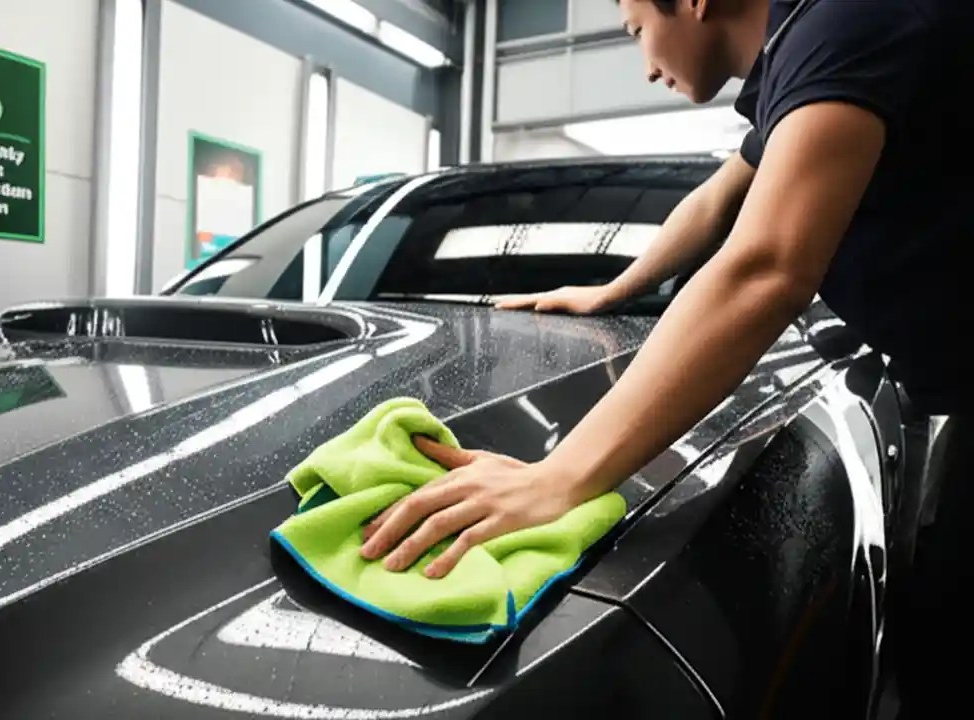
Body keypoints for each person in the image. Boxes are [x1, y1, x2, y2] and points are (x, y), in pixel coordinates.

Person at [358, 0, 969, 715]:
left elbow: (765, 267)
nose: (646, 64)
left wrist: (560, 477)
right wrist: (613, 288)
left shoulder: (845, 23)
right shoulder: (802, 66)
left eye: (636, 29)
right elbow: (717, 204)